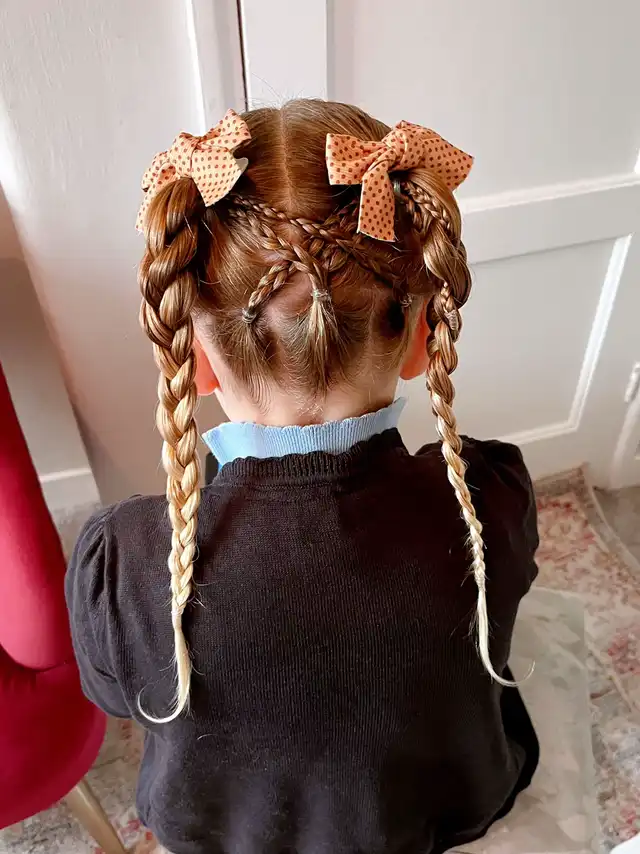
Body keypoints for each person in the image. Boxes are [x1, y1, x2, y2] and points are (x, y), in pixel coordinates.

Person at [66, 99, 539, 854]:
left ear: (194, 359)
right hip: (433, 808)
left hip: (232, 831)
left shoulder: (122, 562)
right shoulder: (493, 500)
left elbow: (114, 695)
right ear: (423, 336)